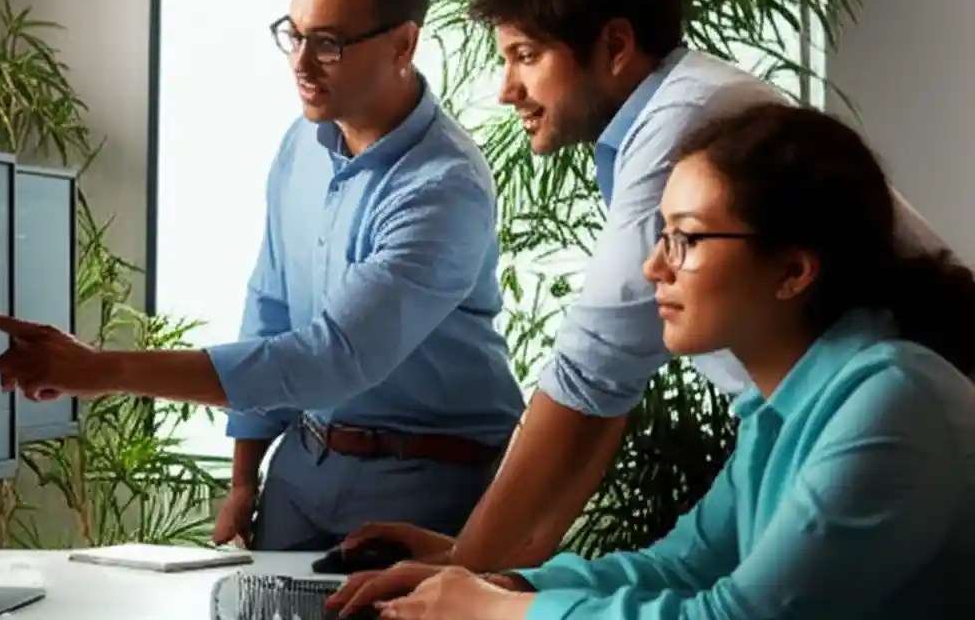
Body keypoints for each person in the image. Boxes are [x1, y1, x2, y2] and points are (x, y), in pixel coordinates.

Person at [332, 0, 949, 582]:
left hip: (890, 439)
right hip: (828, 427)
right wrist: (488, 570)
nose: (506, 89)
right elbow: (607, 389)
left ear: (616, 46)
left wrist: (465, 575)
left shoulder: (683, 128)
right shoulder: (668, 118)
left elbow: (588, 373)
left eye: (525, 55)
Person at [0, 0, 524, 552]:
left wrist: (102, 369)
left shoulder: (444, 188)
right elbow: (271, 312)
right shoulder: (302, 146)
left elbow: (329, 357)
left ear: (403, 43)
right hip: (303, 466)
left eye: (330, 44)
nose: (301, 63)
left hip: (428, 478)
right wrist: (242, 479)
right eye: (295, 34)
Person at [340, 103, 975, 619]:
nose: (654, 266)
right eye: (661, 233)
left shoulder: (893, 399)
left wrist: (495, 613)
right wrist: (504, 583)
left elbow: (737, 618)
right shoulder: (780, 406)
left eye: (686, 238)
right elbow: (684, 565)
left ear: (793, 270)